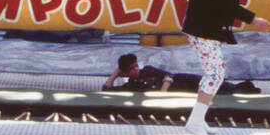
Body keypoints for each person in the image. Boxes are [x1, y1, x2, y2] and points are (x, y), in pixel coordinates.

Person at [180, 0, 270, 135]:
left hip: (205, 25)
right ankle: (194, 122)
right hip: (202, 27)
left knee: (214, 73)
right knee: (215, 73)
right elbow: (225, 3)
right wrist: (254, 19)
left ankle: (197, 120)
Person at [102, 53, 260, 94]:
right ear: (126, 72)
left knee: (214, 84)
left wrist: (162, 91)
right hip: (181, 90)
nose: (136, 69)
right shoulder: (130, 86)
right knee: (217, 94)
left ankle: (247, 88)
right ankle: (243, 90)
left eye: (136, 66)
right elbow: (106, 89)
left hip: (181, 80)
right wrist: (117, 72)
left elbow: (168, 76)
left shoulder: (148, 70)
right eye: (132, 68)